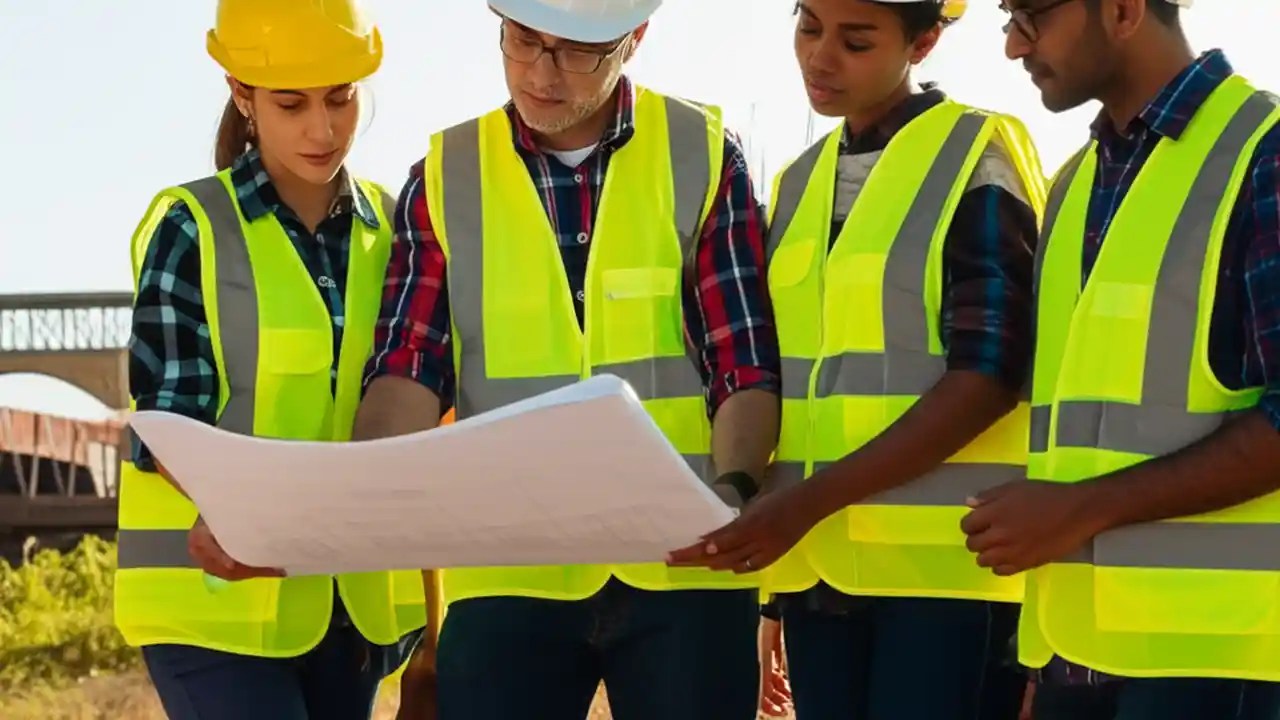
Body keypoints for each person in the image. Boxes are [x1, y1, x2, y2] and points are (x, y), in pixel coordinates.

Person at [353, 0, 781, 717]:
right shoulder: (445, 175)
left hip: (684, 570)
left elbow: (743, 362)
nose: (540, 72)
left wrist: (733, 494)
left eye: (576, 50)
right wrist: (341, 498)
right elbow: (407, 370)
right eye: (522, 40)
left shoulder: (701, 152)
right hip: (507, 570)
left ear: (635, 38)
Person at [669, 1, 1047, 718]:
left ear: (925, 41)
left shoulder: (976, 153)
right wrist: (780, 595)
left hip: (947, 581)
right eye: (809, 28)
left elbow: (992, 371)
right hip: (819, 574)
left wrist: (805, 506)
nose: (820, 57)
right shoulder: (798, 180)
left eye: (856, 41)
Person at [958, 0, 1280, 718]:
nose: (1013, 46)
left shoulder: (1266, 149)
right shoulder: (1073, 184)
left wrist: (1082, 510)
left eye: (1031, 16)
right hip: (1079, 658)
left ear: (1125, 9)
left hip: (1221, 665)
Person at [114, 1, 425, 717]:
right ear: (241, 94)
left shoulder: (396, 231)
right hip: (214, 609)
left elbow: (424, 426)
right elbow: (167, 416)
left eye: (341, 98)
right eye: (292, 104)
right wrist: (236, 512)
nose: (323, 128)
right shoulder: (192, 229)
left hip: (351, 614)